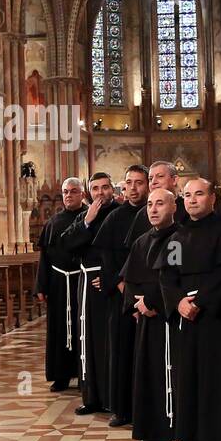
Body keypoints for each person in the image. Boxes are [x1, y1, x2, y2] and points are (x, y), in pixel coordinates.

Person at [156, 178, 221, 441]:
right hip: (189, 319)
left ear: (212, 198)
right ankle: (196, 436)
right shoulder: (177, 237)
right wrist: (179, 302)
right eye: (187, 195)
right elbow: (167, 277)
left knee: (219, 379)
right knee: (191, 377)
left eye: (198, 194)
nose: (192, 200)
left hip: (218, 318)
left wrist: (200, 302)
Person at [92, 165, 150, 427]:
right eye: (129, 182)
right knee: (121, 351)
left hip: (152, 297)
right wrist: (122, 288)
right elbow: (106, 259)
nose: (134, 188)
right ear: (123, 186)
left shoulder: (155, 211)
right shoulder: (114, 218)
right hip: (122, 295)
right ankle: (121, 408)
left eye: (139, 182)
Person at [122, 187, 179, 441]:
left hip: (172, 318)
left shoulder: (180, 239)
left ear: (173, 207)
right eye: (150, 205)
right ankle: (153, 428)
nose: (153, 210)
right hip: (147, 319)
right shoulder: (141, 242)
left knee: (175, 372)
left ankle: (176, 428)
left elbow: (175, 278)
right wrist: (138, 306)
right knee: (150, 373)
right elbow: (130, 279)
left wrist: (154, 302)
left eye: (160, 204)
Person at [61, 172, 118, 414]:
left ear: (112, 190)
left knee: (110, 341)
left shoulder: (121, 214)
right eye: (95, 189)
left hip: (111, 286)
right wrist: (87, 222)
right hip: (87, 284)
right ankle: (91, 397)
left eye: (104, 188)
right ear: (89, 192)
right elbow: (65, 243)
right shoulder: (86, 215)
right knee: (89, 341)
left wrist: (109, 277)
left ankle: (112, 398)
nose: (100, 193)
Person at [33, 177, 87, 392]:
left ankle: (85, 374)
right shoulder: (52, 222)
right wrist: (41, 286)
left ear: (82, 194)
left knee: (82, 327)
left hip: (81, 281)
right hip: (58, 282)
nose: (68, 195)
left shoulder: (89, 218)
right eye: (65, 191)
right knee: (58, 329)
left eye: (73, 191)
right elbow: (45, 257)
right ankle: (61, 375)